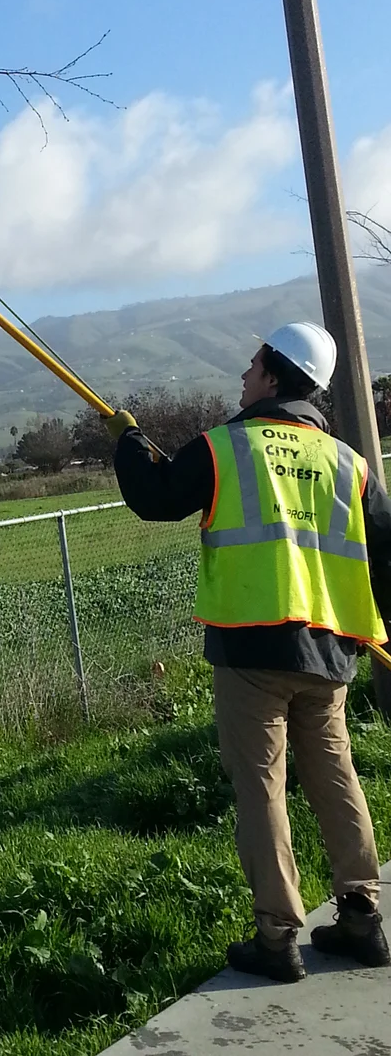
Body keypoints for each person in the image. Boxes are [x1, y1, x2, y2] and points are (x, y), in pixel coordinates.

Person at [107, 321, 391, 983]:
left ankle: (277, 936)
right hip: (331, 651)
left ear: (274, 374)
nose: (243, 374)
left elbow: (155, 497)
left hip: (252, 649)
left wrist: (127, 443)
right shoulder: (351, 464)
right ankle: (362, 916)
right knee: (335, 772)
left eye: (252, 363)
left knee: (261, 782)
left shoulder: (224, 448)